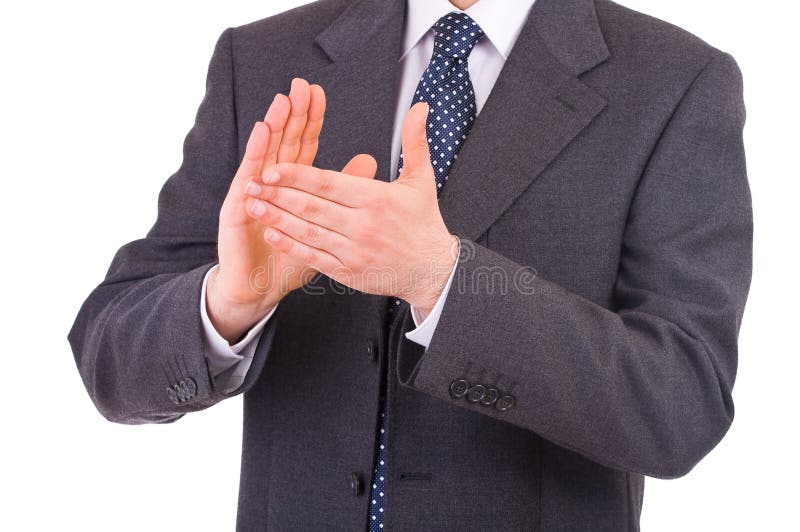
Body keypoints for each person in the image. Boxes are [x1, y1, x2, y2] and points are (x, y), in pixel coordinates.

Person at [68, 0, 752, 530]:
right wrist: (228, 303)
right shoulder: (263, 59)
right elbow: (111, 363)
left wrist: (442, 280)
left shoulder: (677, 83)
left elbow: (680, 406)